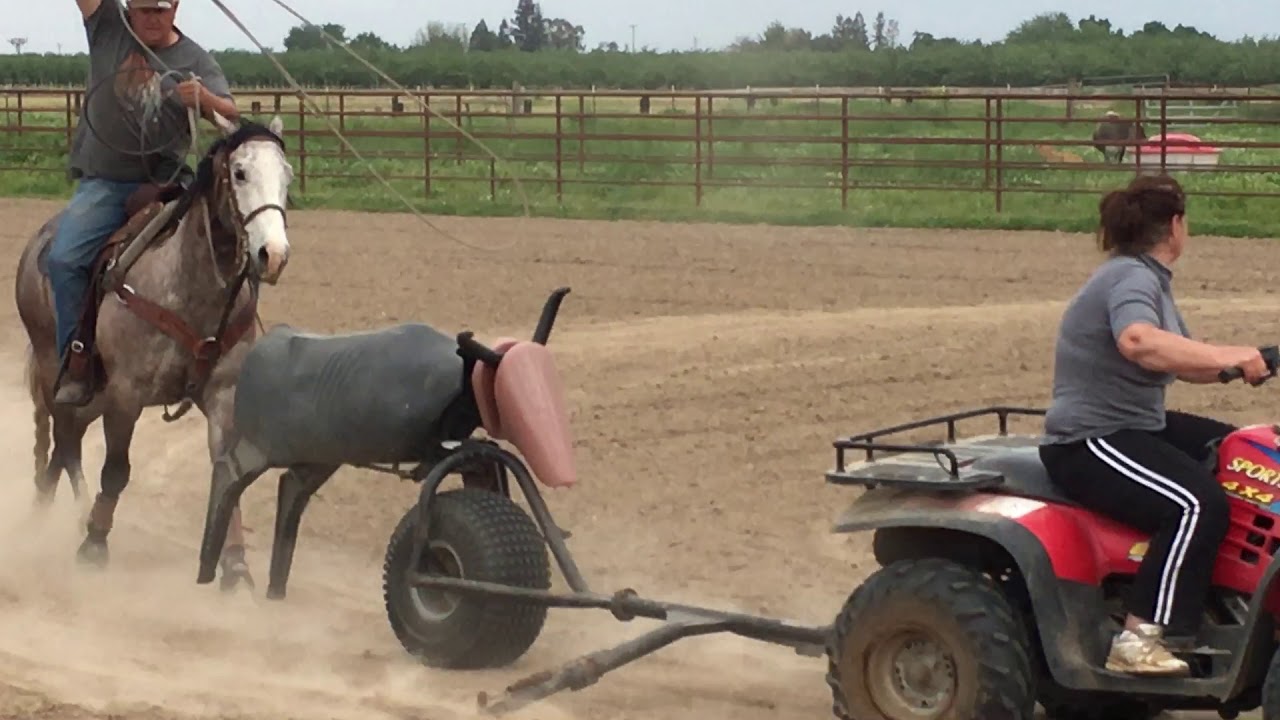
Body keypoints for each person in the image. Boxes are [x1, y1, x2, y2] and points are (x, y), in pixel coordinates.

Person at [1039, 173, 1270, 677]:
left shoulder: (1144, 277)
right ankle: (1140, 637)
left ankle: (1222, 599)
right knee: (1195, 504)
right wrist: (1235, 356)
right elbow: (1139, 343)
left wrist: (1248, 360)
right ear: (1175, 226)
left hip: (1135, 423)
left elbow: (1184, 363)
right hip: (1090, 438)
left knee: (1237, 449)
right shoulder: (1131, 278)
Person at [51, 0, 240, 407]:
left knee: (229, 244)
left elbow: (231, 114)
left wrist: (204, 98)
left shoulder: (195, 59)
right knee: (65, 260)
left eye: (159, 9)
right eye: (142, 9)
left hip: (167, 183)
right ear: (128, 9)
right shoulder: (108, 26)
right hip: (105, 183)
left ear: (175, 8)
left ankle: (221, 350)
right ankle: (77, 359)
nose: (151, 18)